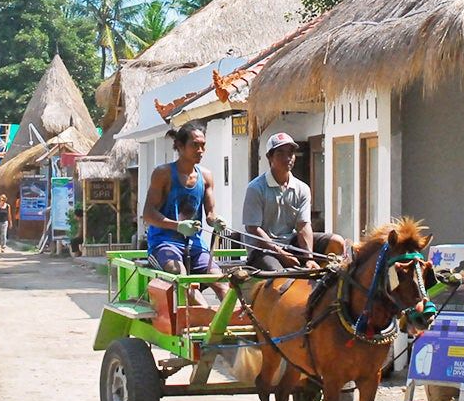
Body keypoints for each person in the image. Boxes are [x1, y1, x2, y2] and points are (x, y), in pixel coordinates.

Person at [142, 120, 226, 300]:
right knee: (181, 276)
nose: (200, 151)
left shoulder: (206, 176)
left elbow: (210, 214)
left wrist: (216, 221)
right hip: (164, 243)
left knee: (221, 281)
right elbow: (148, 214)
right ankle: (204, 319)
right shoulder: (163, 173)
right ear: (179, 146)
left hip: (195, 245)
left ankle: (227, 324)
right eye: (195, 145)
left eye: (203, 146)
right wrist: (178, 226)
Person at [242, 132, 347, 272]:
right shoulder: (255, 188)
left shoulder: (302, 188)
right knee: (280, 277)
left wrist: (309, 258)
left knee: (337, 242)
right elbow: (252, 229)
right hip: (263, 250)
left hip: (292, 244)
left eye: (291, 153)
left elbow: (303, 226)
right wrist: (280, 253)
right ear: (269, 157)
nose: (287, 158)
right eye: (280, 153)